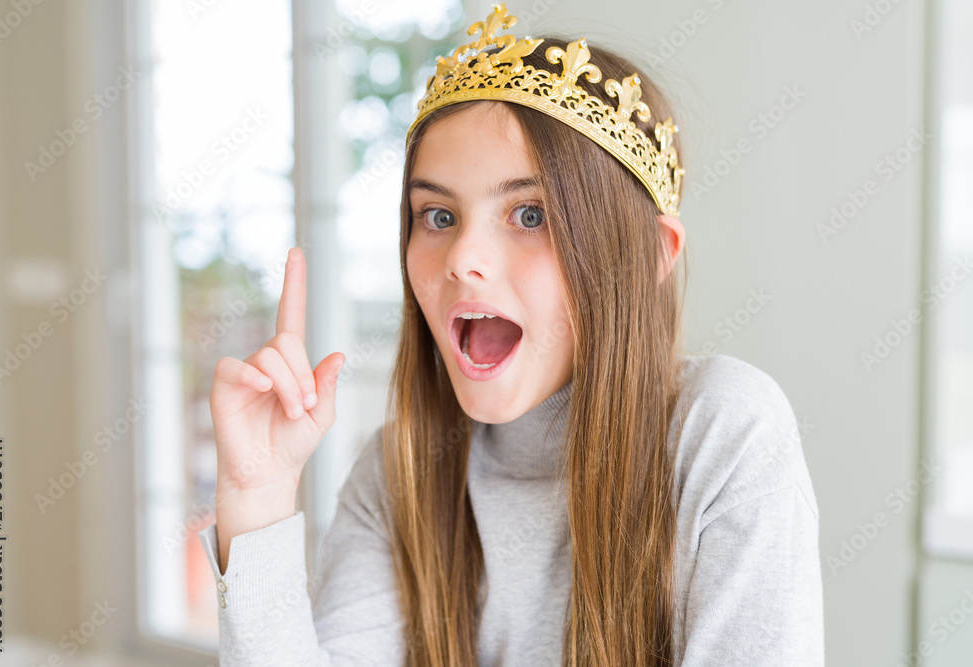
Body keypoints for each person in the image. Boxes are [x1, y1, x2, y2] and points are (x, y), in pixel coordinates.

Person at [198, 5, 824, 665]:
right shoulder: (397, 469)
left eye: (529, 214)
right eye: (438, 215)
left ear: (649, 256)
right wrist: (256, 495)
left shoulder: (723, 428)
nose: (462, 258)